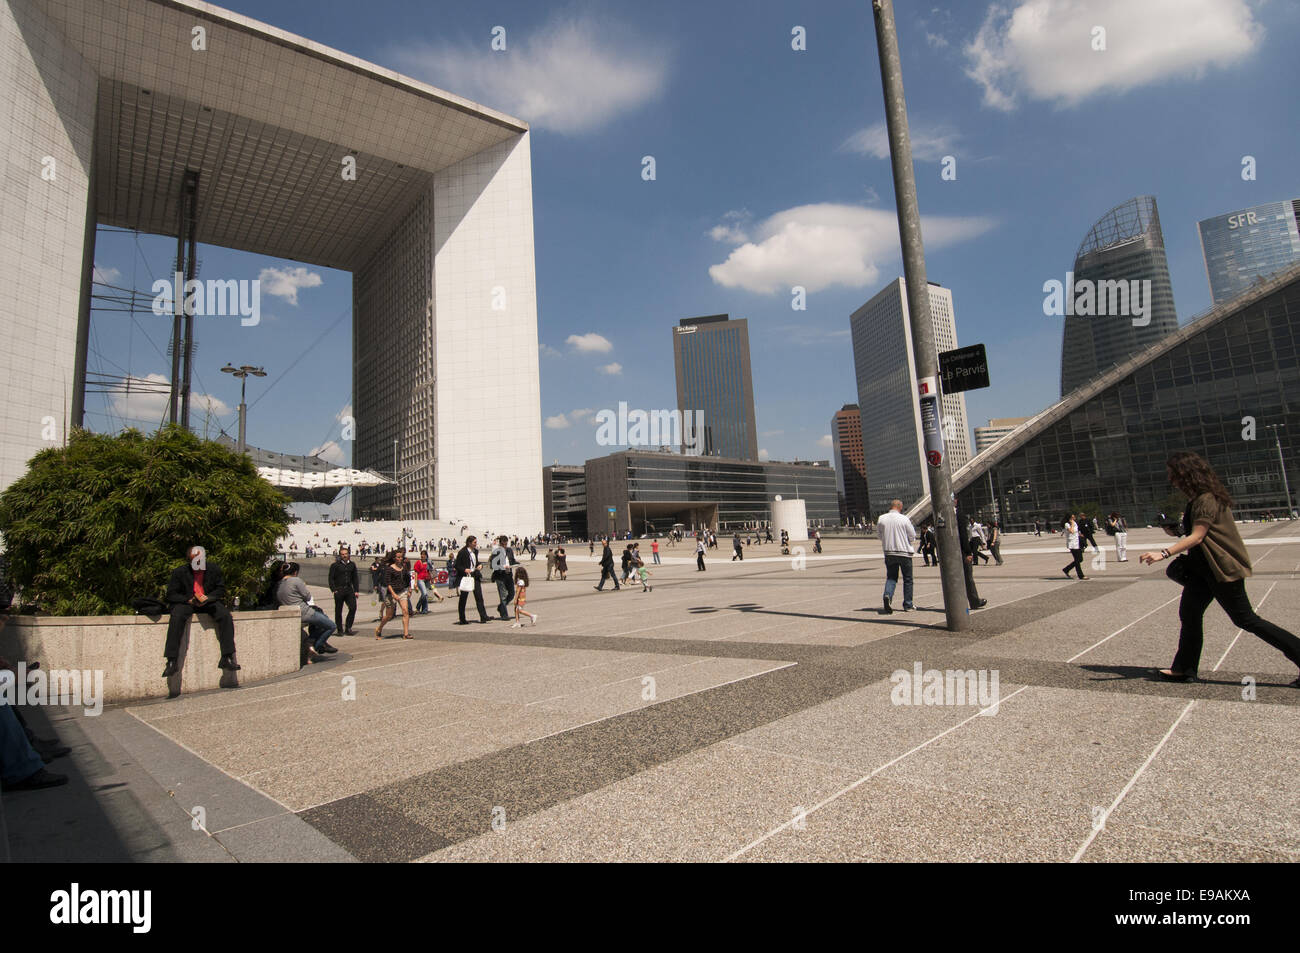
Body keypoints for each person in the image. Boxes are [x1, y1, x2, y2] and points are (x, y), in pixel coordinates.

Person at [1139, 451, 1300, 685]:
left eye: (1172, 474)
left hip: (1220, 568)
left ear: (1186, 474)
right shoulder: (1198, 499)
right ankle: (1184, 669)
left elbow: (1198, 536)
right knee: (1190, 614)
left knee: (1245, 619)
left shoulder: (1206, 499)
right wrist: (1176, 532)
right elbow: (1199, 534)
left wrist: (1163, 553)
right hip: (1201, 571)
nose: (1170, 479)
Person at [162, 545, 240, 678]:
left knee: (225, 616)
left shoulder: (213, 570)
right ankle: (171, 661)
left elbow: (220, 589)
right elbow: (171, 594)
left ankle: (227, 657)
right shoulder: (179, 572)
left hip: (208, 601)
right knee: (177, 616)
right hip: (188, 601)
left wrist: (208, 598)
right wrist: (188, 599)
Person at [278, 562, 338, 659]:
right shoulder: (296, 580)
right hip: (304, 612)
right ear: (295, 572)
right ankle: (313, 647)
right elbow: (307, 596)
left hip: (291, 612)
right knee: (331, 626)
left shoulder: (280, 583)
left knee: (321, 618)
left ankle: (312, 642)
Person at [877, 500, 917, 614]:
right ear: (900, 507)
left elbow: (879, 535)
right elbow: (912, 535)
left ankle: (887, 595)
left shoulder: (882, 518)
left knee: (891, 577)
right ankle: (908, 604)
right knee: (908, 579)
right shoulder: (904, 519)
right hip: (904, 552)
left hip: (889, 552)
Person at [375, 550, 414, 639]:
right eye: (398, 557)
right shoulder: (390, 568)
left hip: (402, 591)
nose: (400, 559)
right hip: (391, 593)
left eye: (401, 557)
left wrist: (410, 588)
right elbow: (387, 583)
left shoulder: (404, 568)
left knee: (405, 611)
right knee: (389, 615)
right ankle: (379, 628)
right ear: (394, 558)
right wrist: (393, 594)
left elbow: (408, 579)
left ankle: (406, 633)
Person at [455, 536, 490, 623]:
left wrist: (480, 565)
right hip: (466, 577)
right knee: (464, 598)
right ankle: (462, 618)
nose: (476, 544)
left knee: (479, 597)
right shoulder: (462, 552)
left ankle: (483, 616)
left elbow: (476, 562)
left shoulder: (475, 552)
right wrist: (464, 569)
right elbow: (456, 565)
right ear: (469, 543)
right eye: (474, 542)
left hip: (475, 575)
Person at [329, 546, 359, 634]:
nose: (344, 556)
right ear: (340, 555)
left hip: (349, 589)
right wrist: (334, 589)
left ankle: (348, 627)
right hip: (339, 590)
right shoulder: (335, 565)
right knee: (338, 610)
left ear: (348, 554)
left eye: (346, 554)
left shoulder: (352, 565)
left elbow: (355, 578)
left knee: (353, 608)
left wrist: (356, 590)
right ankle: (339, 629)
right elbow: (331, 578)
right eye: (342, 554)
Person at [490, 536, 517, 620]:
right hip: (500, 576)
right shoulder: (496, 552)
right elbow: (492, 565)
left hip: (509, 575)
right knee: (503, 596)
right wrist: (502, 567)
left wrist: (518, 564)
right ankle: (504, 614)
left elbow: (512, 560)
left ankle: (501, 607)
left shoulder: (509, 550)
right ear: (500, 543)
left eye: (506, 544)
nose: (504, 546)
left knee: (512, 594)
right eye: (503, 544)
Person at [1062, 514, 1086, 580]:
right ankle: (1081, 575)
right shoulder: (1067, 524)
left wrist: (1080, 534)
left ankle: (1066, 569)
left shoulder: (1074, 523)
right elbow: (1071, 531)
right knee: (1077, 560)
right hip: (1072, 544)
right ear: (1069, 518)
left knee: (1080, 559)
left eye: (1074, 517)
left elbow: (1076, 531)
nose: (1074, 518)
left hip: (1077, 542)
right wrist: (1072, 524)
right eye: (1072, 517)